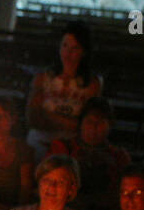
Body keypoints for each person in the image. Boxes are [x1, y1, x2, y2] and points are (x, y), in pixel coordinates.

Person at [26, 23, 102, 157]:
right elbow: (32, 118)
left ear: (83, 52)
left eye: (74, 48)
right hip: (40, 141)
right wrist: (69, 122)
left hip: (73, 146)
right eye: (65, 46)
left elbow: (87, 126)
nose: (68, 53)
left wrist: (50, 116)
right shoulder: (43, 79)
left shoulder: (92, 84)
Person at [49, 97, 129, 210]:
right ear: (81, 124)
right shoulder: (62, 148)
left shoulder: (119, 157)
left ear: (109, 126)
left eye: (100, 123)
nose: (94, 128)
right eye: (89, 122)